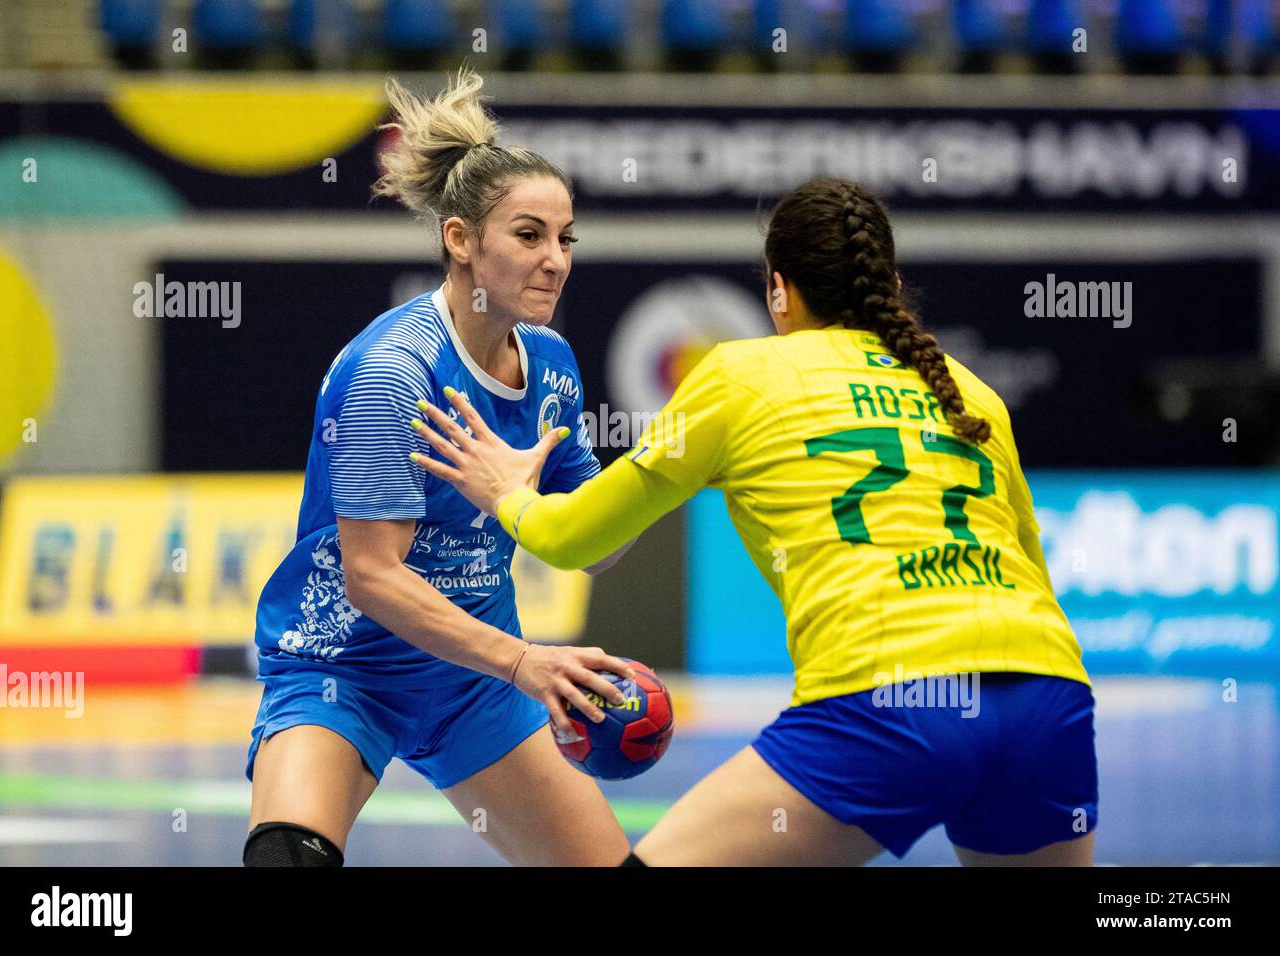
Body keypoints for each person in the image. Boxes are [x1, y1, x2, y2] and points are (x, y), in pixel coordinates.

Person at [409, 177, 1099, 866]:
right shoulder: (969, 391)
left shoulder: (741, 376)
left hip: (888, 701)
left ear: (778, 290)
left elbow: (573, 538)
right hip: (1047, 700)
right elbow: (1031, 571)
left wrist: (507, 492)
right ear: (889, 284)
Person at [243, 66, 637, 867]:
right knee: (287, 856)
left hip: (472, 682)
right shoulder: (397, 373)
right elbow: (373, 577)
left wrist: (657, 479)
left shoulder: (553, 366)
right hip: (346, 664)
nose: (555, 259)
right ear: (460, 240)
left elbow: (596, 545)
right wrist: (526, 660)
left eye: (566, 239)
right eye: (529, 236)